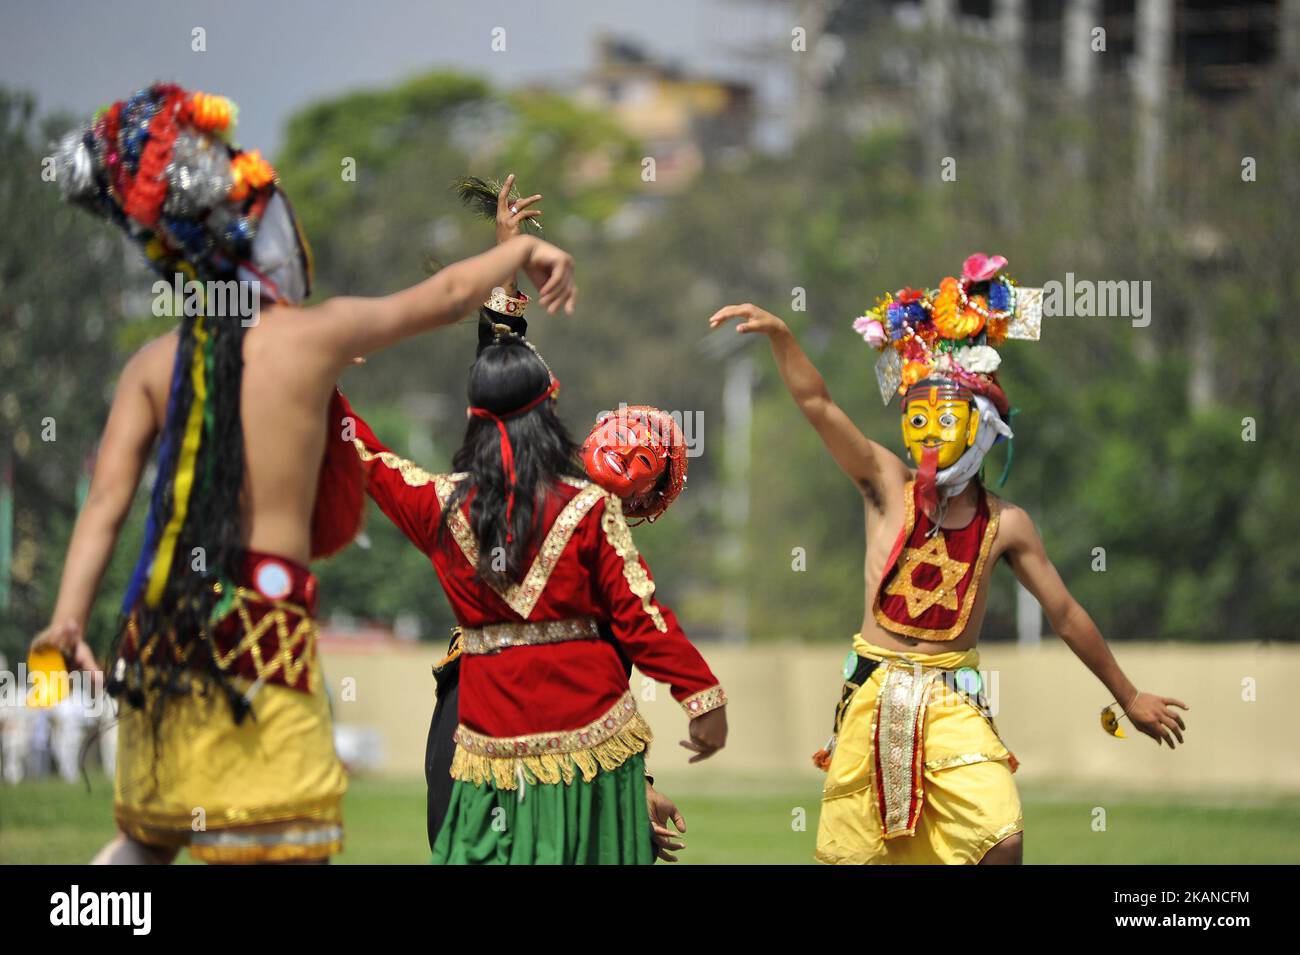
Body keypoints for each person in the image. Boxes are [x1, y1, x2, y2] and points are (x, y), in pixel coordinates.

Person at [30, 83, 578, 864]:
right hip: (260, 632)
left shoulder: (154, 363)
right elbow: (449, 294)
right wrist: (521, 250)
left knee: (147, 845)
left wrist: (67, 618)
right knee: (288, 847)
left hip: (162, 635)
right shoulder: (310, 340)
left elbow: (106, 506)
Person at [708, 254, 1189, 865]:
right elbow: (819, 406)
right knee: (856, 855)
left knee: (1001, 839)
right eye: (918, 417)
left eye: (946, 417)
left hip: (954, 699)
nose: (929, 432)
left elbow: (1065, 613)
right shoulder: (885, 483)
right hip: (872, 694)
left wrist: (1128, 696)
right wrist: (782, 336)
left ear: (984, 426)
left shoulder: (1007, 523)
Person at [339, 239, 725, 862]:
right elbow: (643, 636)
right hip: (578, 753)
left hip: (474, 728)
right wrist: (699, 703)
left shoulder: (447, 504)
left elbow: (372, 457)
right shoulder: (595, 521)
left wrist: (313, 376)